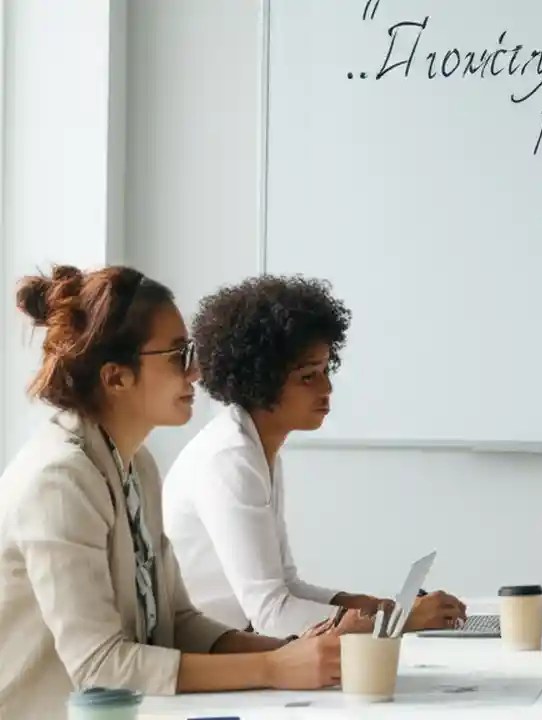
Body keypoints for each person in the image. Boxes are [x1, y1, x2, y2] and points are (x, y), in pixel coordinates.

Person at [0, 265, 344, 720]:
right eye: (179, 355)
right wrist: (273, 666)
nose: (197, 372)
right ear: (116, 378)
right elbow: (100, 666)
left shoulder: (137, 464)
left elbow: (176, 623)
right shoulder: (58, 481)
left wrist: (294, 653)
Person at [163, 274, 466, 640]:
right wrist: (403, 620)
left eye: (325, 371)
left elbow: (288, 585)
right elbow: (272, 614)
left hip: (237, 641)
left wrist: (372, 606)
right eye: (308, 377)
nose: (327, 389)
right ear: (258, 381)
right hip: (213, 654)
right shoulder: (230, 460)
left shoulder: (257, 448)